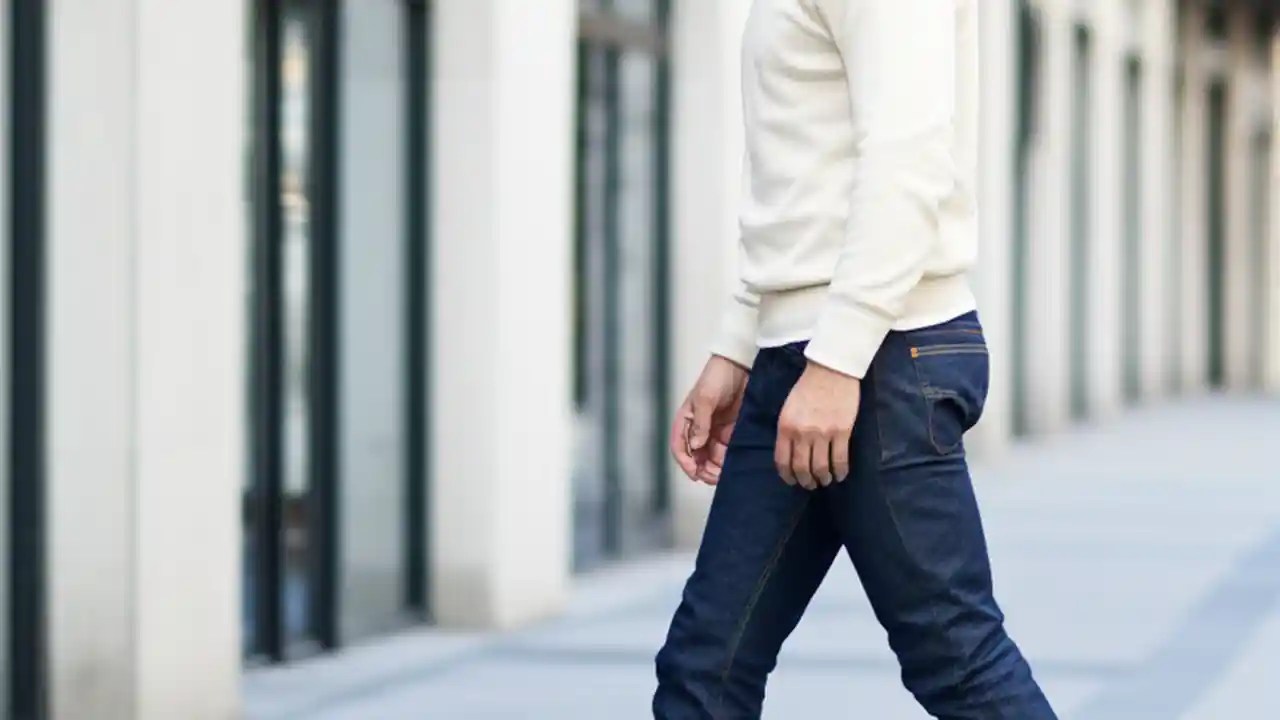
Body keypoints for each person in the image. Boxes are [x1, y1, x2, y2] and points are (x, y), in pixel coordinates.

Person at [652, 0, 1057, 717]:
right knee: (706, 667)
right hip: (809, 352)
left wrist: (837, 360)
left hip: (880, 355)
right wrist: (740, 344)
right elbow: (805, 179)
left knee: (956, 661)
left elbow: (908, 157)